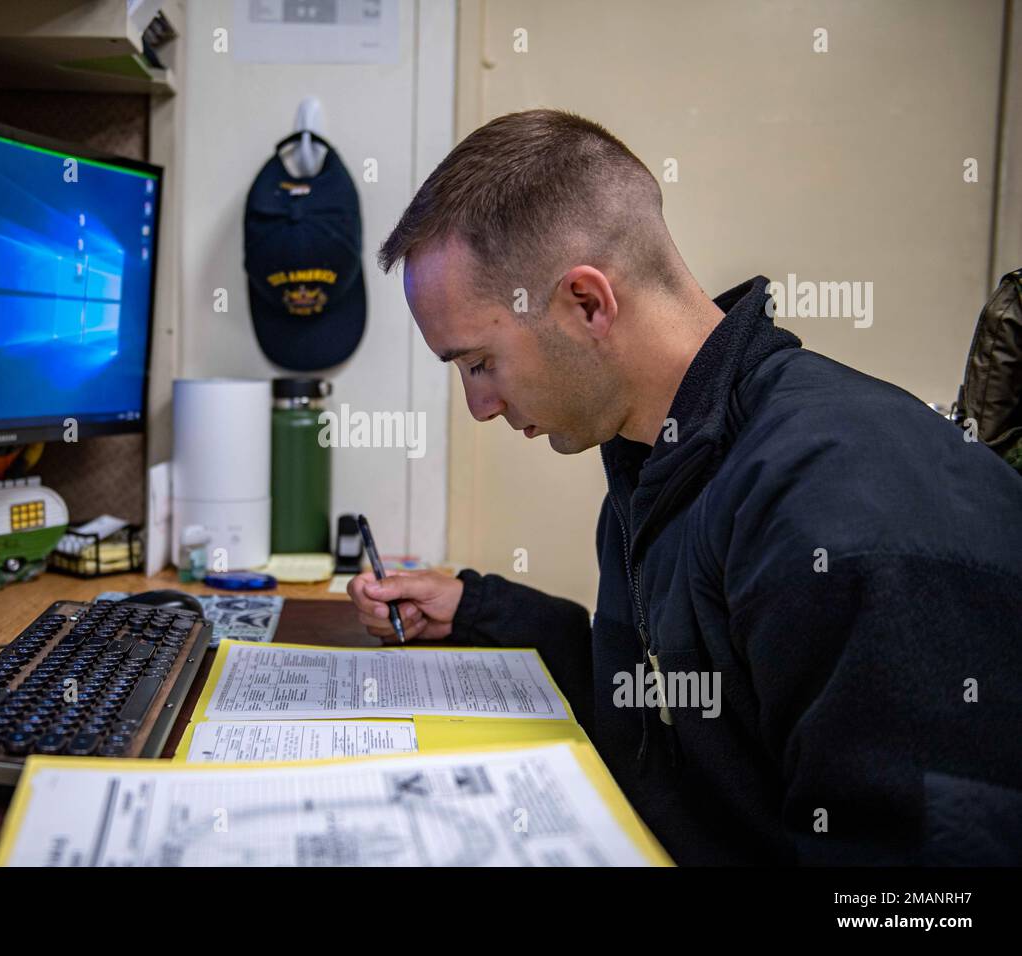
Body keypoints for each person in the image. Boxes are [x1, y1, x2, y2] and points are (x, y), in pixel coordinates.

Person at [348, 109, 1022, 865]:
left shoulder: (844, 514)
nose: (481, 405)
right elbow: (680, 708)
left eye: (478, 364)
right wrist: (479, 611)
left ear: (588, 304)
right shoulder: (661, 456)